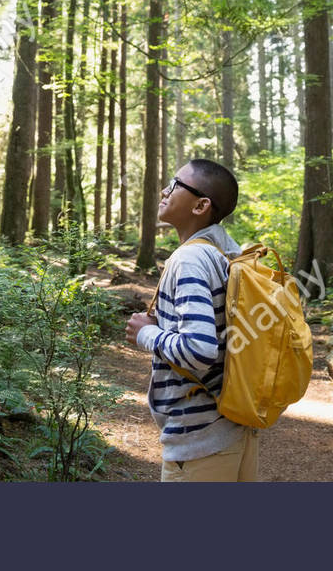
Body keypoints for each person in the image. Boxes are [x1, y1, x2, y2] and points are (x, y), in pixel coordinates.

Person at [124, 157, 258, 481]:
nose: (165, 190)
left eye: (175, 184)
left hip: (199, 442)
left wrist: (146, 334)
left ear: (200, 205)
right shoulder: (227, 254)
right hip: (236, 431)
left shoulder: (190, 259)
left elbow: (199, 350)